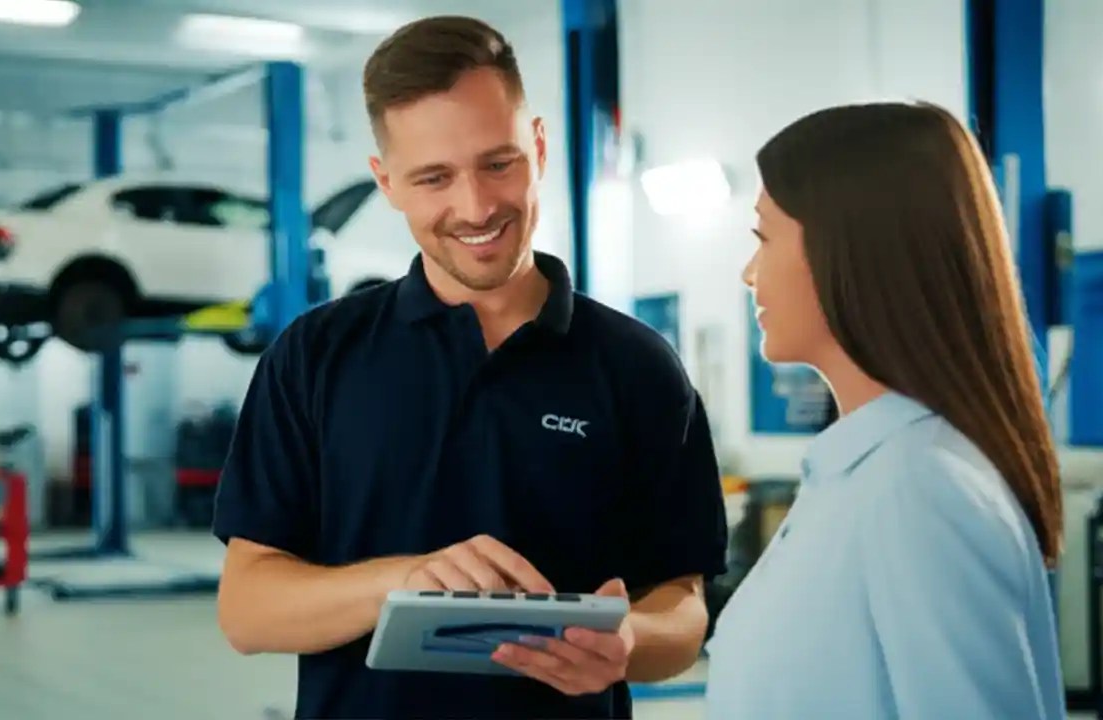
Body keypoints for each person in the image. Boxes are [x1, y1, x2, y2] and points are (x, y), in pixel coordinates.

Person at [212, 15, 729, 720]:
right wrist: (404, 582)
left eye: (498, 163)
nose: (477, 206)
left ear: (538, 146)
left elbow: (683, 606)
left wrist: (630, 640)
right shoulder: (314, 356)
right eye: (434, 178)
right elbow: (247, 609)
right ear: (387, 182)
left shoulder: (638, 366)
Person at [704, 101, 1066, 720]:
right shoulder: (865, 473)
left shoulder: (922, 488)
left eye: (763, 238)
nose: (748, 272)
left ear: (849, 250)